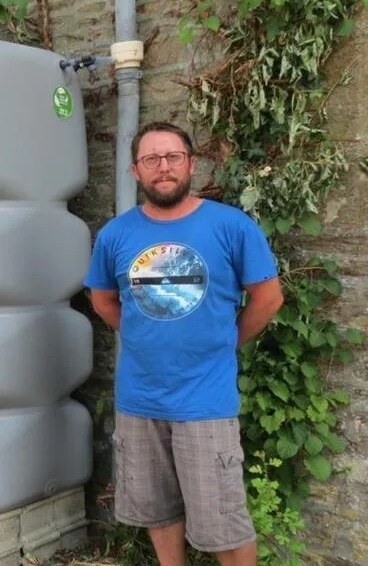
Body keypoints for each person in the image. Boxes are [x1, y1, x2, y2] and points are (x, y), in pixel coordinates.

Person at [84, 121, 284, 566]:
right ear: (136, 171)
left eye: (173, 157)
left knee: (225, 526)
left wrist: (225, 342)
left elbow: (268, 298)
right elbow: (103, 301)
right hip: (139, 400)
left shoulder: (231, 226)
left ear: (191, 163)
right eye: (151, 159)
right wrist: (143, 337)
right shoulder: (116, 235)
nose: (164, 167)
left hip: (205, 401)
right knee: (158, 513)